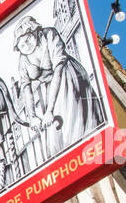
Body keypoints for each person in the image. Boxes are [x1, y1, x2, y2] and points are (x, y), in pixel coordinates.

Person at [12, 12, 104, 156]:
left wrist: (49, 111)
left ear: (35, 32)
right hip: (51, 89)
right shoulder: (23, 60)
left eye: (28, 39)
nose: (26, 45)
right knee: (55, 136)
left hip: (69, 77)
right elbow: (26, 88)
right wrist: (32, 116)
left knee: (75, 122)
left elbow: (59, 71)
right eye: (22, 44)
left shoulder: (50, 35)